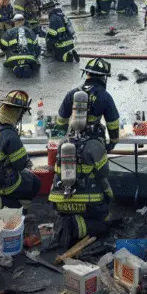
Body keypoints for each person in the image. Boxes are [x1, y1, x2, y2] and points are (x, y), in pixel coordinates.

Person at [49, 80, 117, 248]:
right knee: (105, 222)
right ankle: (75, 228)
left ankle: (65, 221)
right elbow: (103, 174)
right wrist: (109, 195)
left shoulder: (63, 143)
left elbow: (55, 170)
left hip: (58, 201)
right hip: (88, 202)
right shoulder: (95, 145)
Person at [0, 90, 41, 221]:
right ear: (17, 112)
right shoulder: (10, 135)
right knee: (34, 182)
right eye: (21, 113)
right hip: (1, 183)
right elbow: (20, 164)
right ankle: (1, 205)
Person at [54, 57, 121, 149]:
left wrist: (61, 139)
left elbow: (61, 120)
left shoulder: (72, 94)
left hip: (73, 142)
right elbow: (113, 123)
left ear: (87, 74)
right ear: (103, 77)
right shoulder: (104, 96)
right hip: (95, 142)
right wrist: (113, 142)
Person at [0, 14, 41, 78]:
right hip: (29, 58)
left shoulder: (8, 32)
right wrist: (35, 58)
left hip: (12, 58)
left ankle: (16, 67)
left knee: (12, 63)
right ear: (23, 21)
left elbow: (3, 46)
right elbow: (37, 47)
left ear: (14, 22)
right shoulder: (30, 31)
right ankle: (27, 66)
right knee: (31, 62)